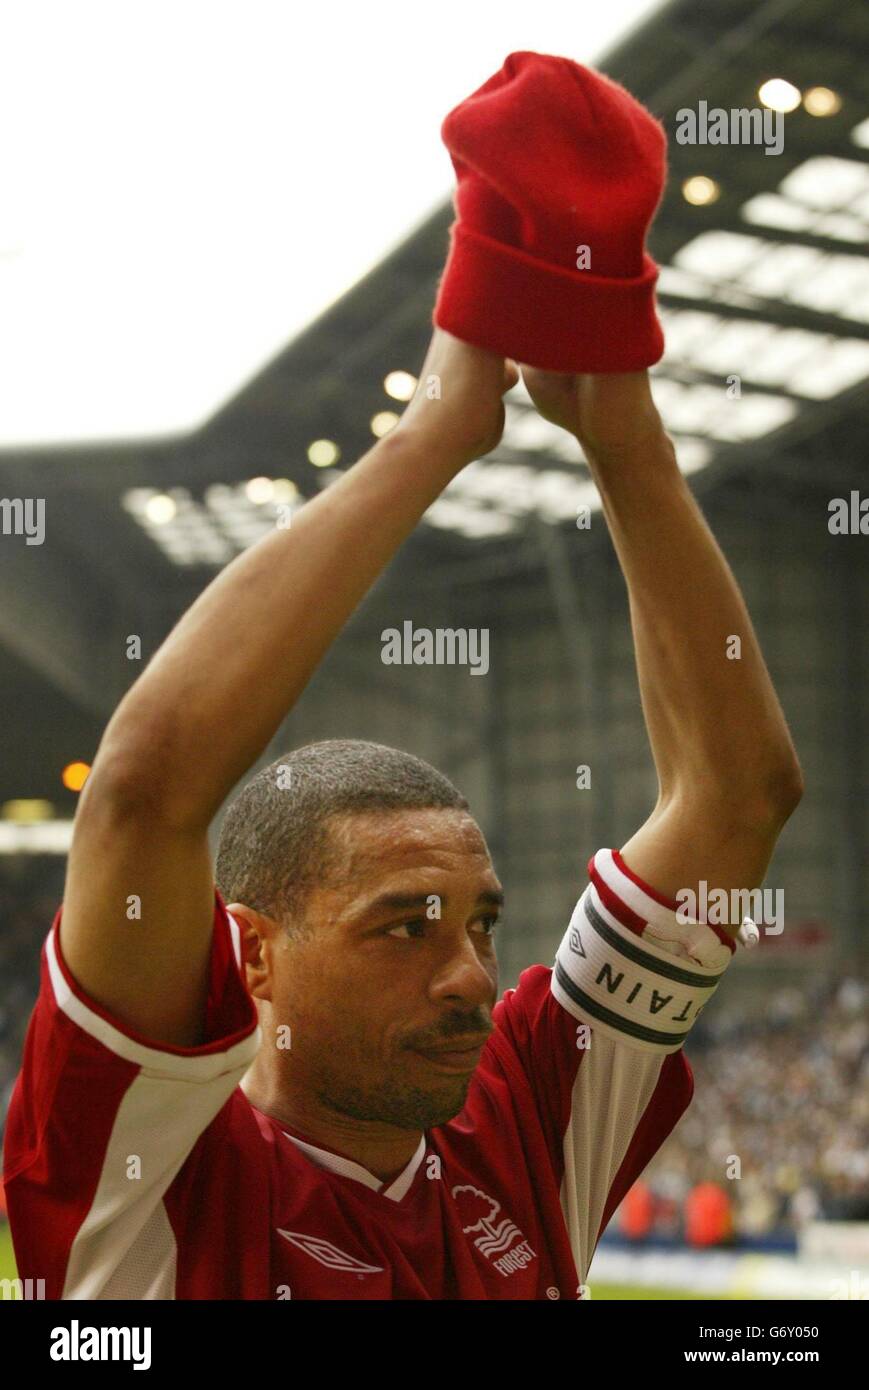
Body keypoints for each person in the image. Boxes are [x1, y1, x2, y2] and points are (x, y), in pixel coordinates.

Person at [2, 327, 802, 1300]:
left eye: (481, 922)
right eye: (403, 925)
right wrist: (430, 435)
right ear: (251, 953)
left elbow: (735, 799)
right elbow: (138, 794)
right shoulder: (156, 1192)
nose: (469, 976)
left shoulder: (527, 1118)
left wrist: (624, 438)